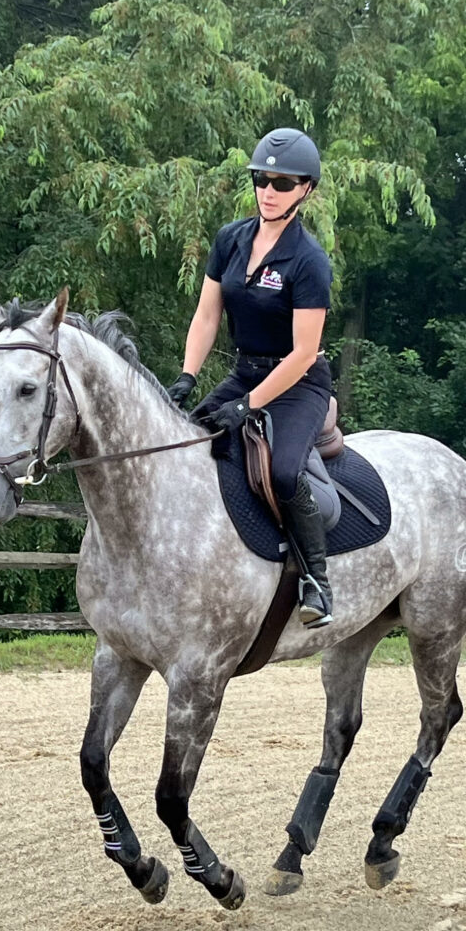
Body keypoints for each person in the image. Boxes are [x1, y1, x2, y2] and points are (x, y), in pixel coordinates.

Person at [166, 128, 336, 628]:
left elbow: (304, 352)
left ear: (305, 189)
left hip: (298, 382)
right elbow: (206, 317)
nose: (269, 190)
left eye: (283, 183)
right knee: (186, 442)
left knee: (284, 472)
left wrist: (250, 405)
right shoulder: (230, 239)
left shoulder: (309, 261)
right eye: (262, 179)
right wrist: (187, 377)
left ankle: (317, 583)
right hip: (245, 371)